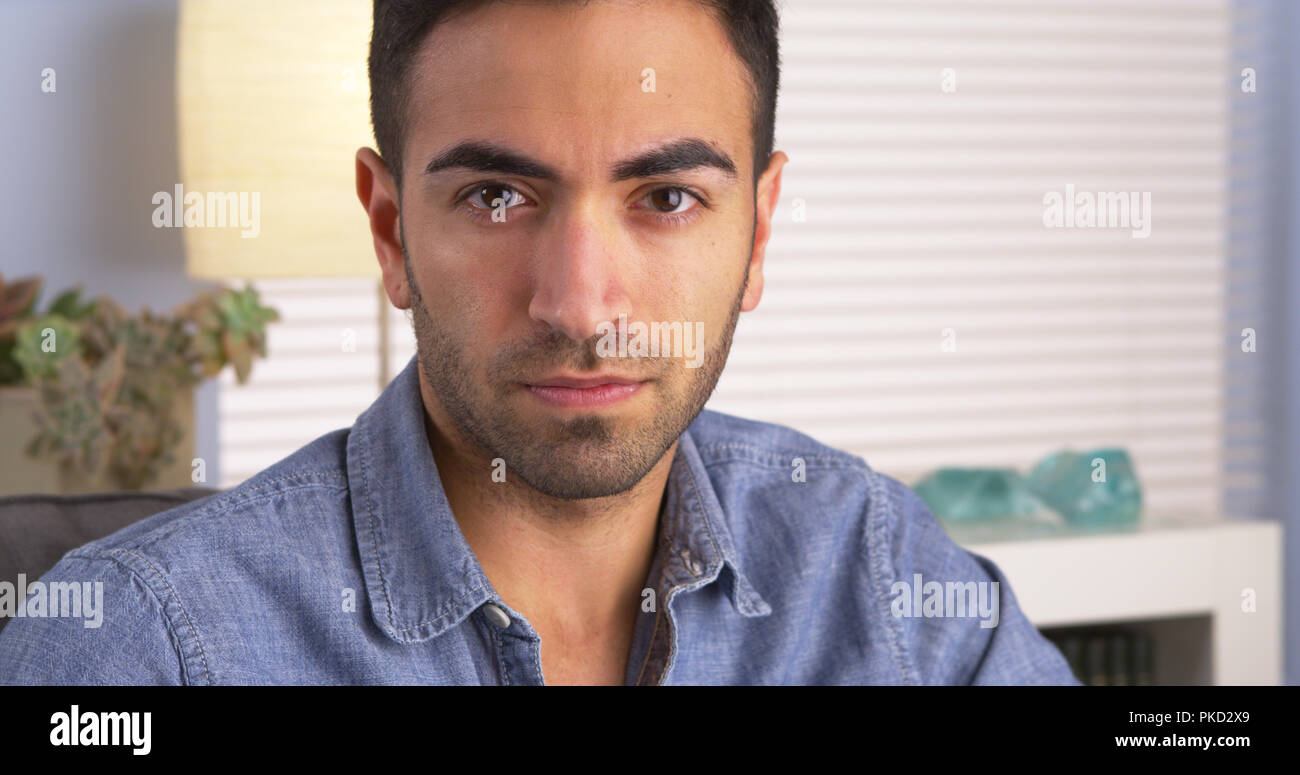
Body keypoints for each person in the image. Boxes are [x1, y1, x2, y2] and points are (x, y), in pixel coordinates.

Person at [0, 0, 1078, 685]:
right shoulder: (135, 648)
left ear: (758, 228)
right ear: (389, 228)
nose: (580, 305)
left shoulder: (881, 573)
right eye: (497, 194)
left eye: (664, 195)